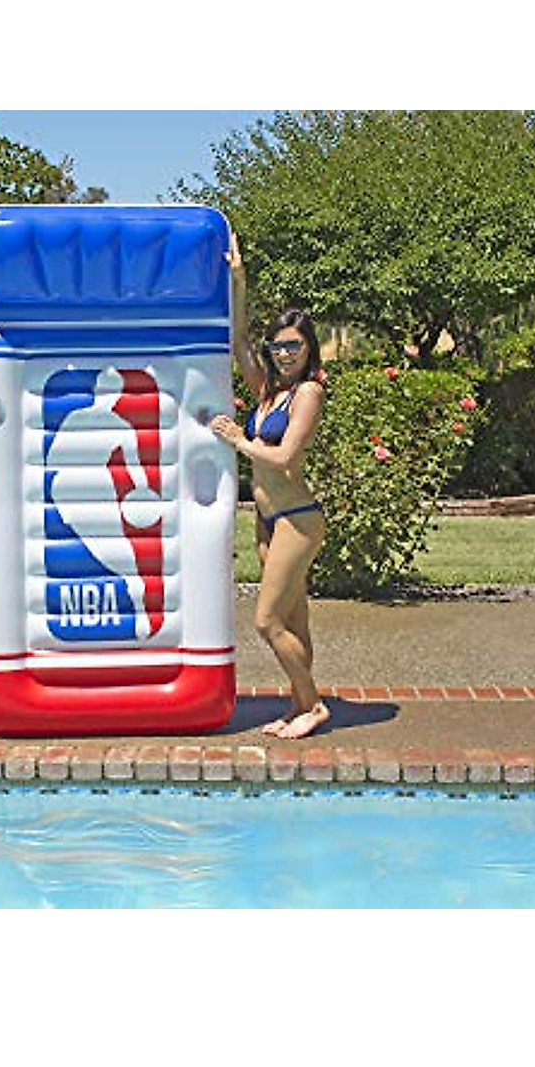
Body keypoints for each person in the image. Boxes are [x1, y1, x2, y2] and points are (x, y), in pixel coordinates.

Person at [210, 234, 330, 738]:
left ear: (308, 348)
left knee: (266, 621)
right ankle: (300, 705)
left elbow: (284, 457)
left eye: (293, 345)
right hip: (268, 519)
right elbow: (238, 340)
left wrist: (239, 440)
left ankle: (314, 705)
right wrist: (239, 281)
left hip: (298, 520)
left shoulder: (308, 393)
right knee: (294, 620)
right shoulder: (268, 393)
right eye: (278, 346)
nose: (284, 353)